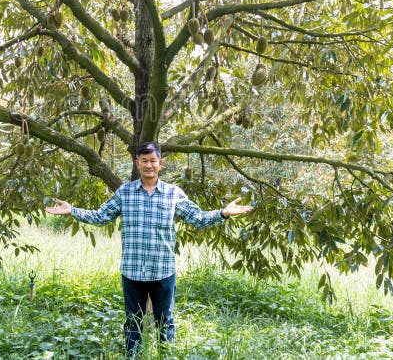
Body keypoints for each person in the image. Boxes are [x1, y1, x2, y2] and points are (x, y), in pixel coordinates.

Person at [45, 141, 253, 357]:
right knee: (132, 323)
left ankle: (166, 355)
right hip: (132, 272)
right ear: (137, 163)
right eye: (144, 161)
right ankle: (132, 356)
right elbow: (100, 216)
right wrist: (73, 211)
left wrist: (223, 213)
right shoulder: (124, 193)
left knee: (165, 323)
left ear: (160, 163)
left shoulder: (173, 194)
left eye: (152, 161)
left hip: (163, 271)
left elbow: (198, 218)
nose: (148, 165)